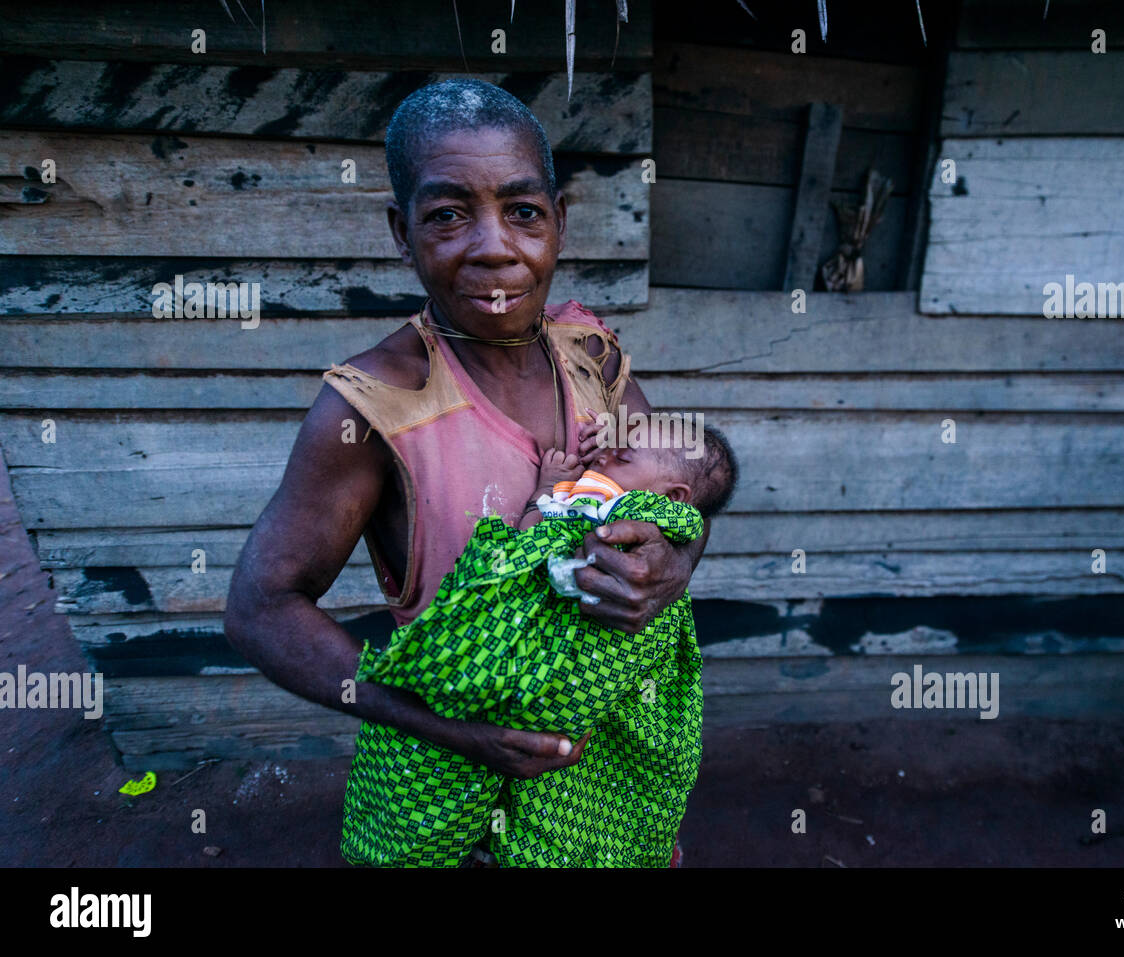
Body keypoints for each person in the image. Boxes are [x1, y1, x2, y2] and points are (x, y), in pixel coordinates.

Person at [223, 78, 712, 837]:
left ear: (558, 222)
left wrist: (674, 566)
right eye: (449, 214)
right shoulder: (377, 404)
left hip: (609, 772)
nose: (494, 247)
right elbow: (260, 609)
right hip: (467, 793)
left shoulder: (592, 355)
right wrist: (450, 730)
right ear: (401, 230)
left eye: (523, 211)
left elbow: (682, 498)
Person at [341, 427, 739, 867]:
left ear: (674, 496)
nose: (602, 455)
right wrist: (549, 491)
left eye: (621, 457)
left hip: (584, 672)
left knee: (570, 788)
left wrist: (676, 552)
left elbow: (680, 524)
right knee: (482, 766)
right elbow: (531, 549)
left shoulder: (625, 517)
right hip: (508, 663)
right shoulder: (588, 497)